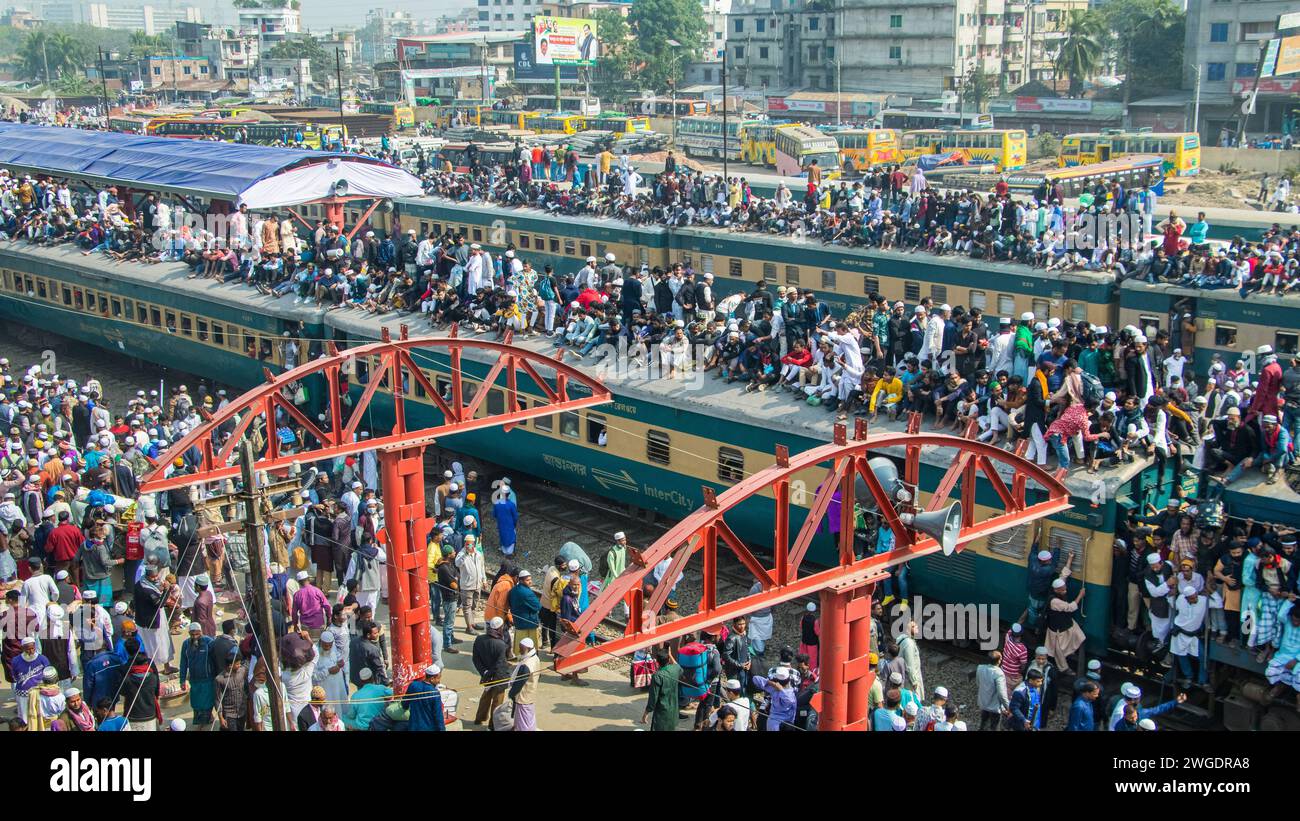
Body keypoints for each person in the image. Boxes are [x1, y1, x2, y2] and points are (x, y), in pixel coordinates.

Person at [472, 616, 510, 725]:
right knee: (497, 702)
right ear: (500, 628)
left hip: (486, 675)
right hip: (499, 677)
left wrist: (484, 672)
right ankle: (493, 725)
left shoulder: (479, 639)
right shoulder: (501, 645)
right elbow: (500, 664)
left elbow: (476, 659)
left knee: (485, 698)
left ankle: (479, 718)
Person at [177, 621, 216, 727]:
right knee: (196, 702)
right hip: (194, 679)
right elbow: (183, 662)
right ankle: (202, 720)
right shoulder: (186, 644)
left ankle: (204, 722)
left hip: (207, 678)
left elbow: (216, 658)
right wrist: (182, 680)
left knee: (207, 702)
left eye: (197, 634)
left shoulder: (209, 642)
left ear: (201, 632)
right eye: (192, 634)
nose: (195, 637)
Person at [642, 646, 681, 731]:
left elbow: (653, 698)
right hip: (673, 709)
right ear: (668, 660)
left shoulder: (657, 676)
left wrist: (646, 713)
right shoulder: (674, 669)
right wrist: (670, 655)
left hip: (662, 711)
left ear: (657, 662)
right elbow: (678, 666)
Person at [508, 636, 542, 731]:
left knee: (524, 720)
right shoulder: (534, 657)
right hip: (531, 692)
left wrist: (511, 693)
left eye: (521, 648)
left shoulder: (526, 665)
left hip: (523, 695)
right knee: (528, 717)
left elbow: (519, 683)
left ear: (527, 648)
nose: (519, 650)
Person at [403, 664, 446, 731]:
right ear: (432, 679)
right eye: (438, 678)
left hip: (413, 727)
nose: (439, 681)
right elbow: (438, 716)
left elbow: (404, 704)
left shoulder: (413, 685)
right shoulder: (435, 693)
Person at [976, 650, 1010, 731]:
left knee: (983, 722)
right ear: (999, 661)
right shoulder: (999, 673)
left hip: (983, 702)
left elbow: (978, 683)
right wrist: (1008, 707)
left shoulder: (980, 668)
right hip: (994, 706)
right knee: (994, 726)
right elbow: (1001, 693)